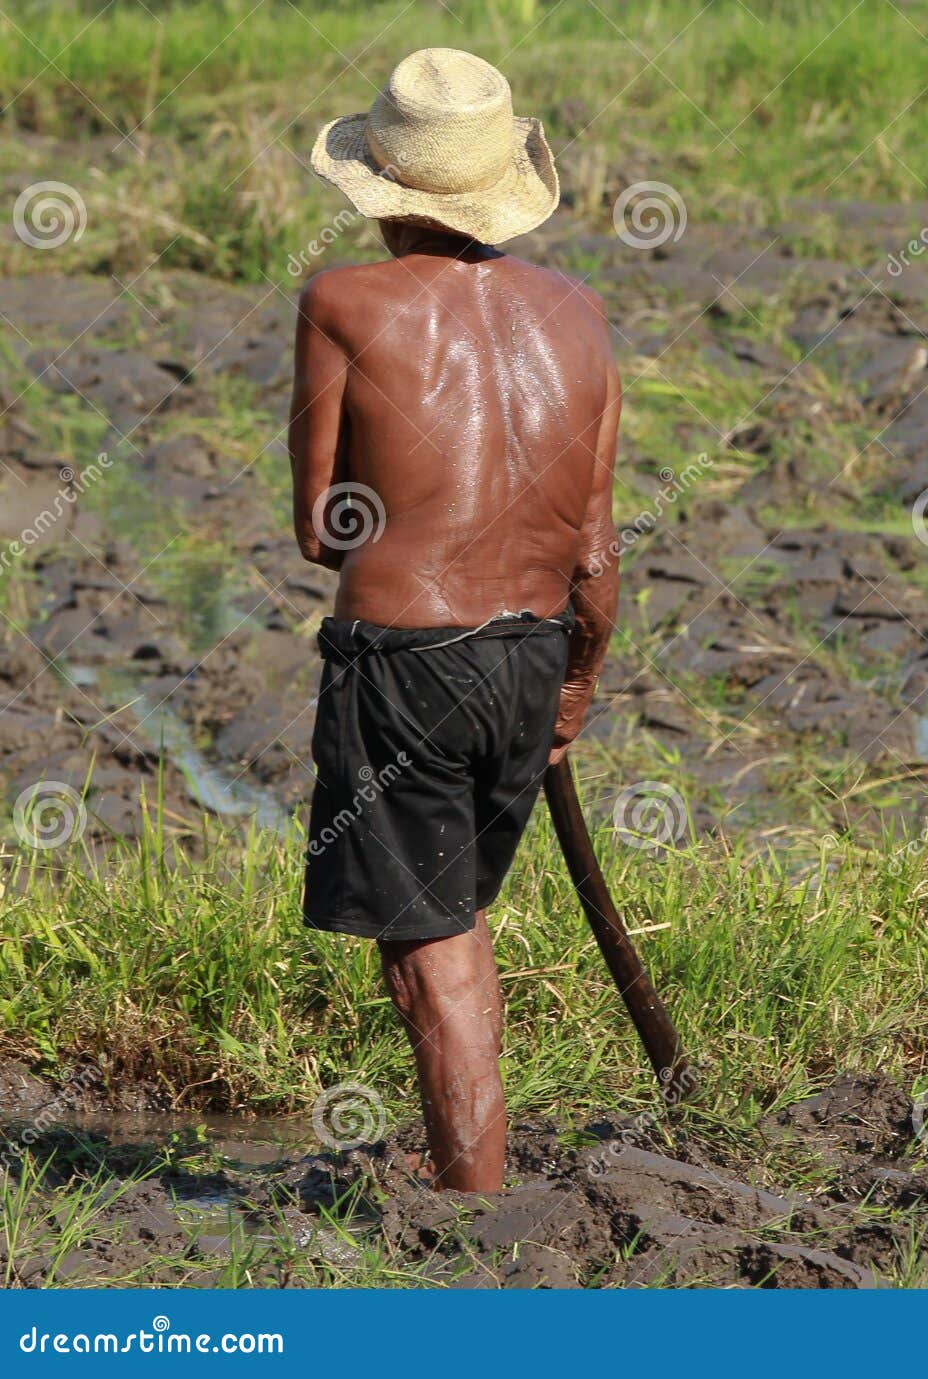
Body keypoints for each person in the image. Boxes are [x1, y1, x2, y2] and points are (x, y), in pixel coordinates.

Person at [289, 47, 620, 1192]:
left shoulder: (341, 301)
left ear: (384, 194)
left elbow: (324, 527)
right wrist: (571, 691)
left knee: (435, 945)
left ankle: (478, 1209)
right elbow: (597, 552)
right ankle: (456, 1163)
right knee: (441, 917)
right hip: (532, 657)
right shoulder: (579, 313)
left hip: (404, 662)